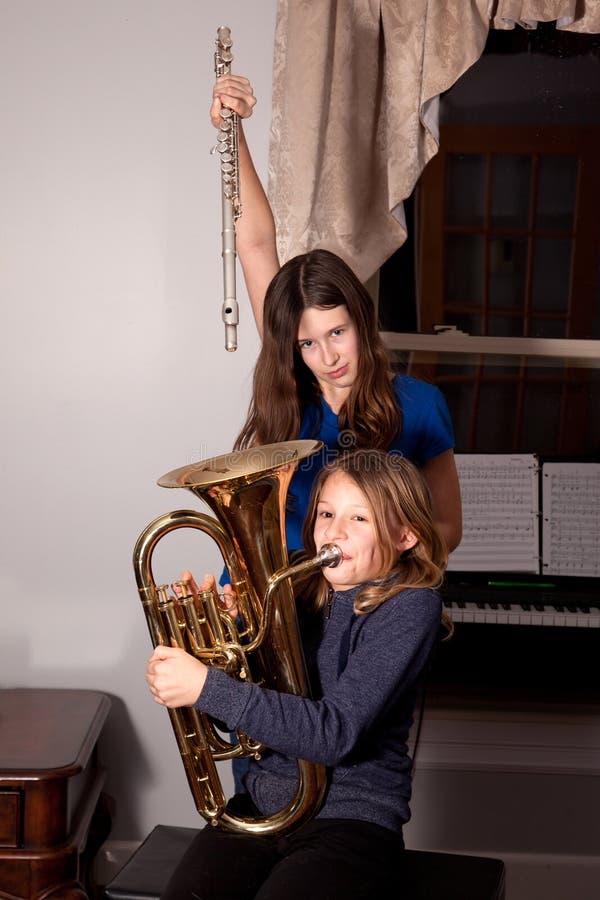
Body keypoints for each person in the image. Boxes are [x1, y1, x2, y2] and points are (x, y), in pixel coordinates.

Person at [146, 449, 450, 900]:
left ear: (405, 534)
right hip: (260, 808)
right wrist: (221, 647)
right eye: (326, 512)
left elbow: (334, 735)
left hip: (351, 822)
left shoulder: (410, 607)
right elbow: (239, 723)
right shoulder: (292, 589)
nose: (334, 531)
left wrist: (207, 686)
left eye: (360, 519)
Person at [210, 74, 462, 557]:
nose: (326, 356)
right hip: (279, 593)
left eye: (337, 332)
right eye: (307, 343)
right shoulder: (293, 389)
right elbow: (256, 244)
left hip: (368, 597)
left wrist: (379, 556)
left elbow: (448, 526)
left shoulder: (422, 406)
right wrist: (232, 131)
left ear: (361, 322)